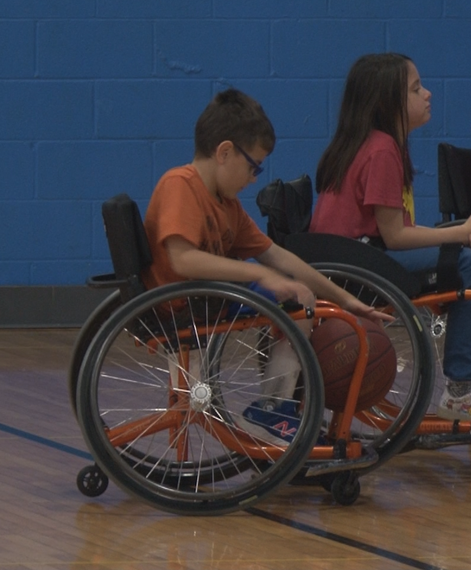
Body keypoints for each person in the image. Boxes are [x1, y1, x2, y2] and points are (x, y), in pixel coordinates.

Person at [143, 87, 387, 444]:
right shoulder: (180, 184)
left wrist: (343, 298)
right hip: (182, 306)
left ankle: (278, 409)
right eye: (253, 165)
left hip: (206, 300)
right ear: (225, 152)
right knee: (289, 298)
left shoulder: (226, 204)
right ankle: (271, 412)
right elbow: (183, 259)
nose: (254, 177)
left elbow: (278, 255)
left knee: (297, 295)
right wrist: (261, 274)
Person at [310, 53, 471, 422]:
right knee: (469, 262)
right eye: (416, 89)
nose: (428, 94)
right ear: (388, 104)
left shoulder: (371, 143)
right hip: (355, 265)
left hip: (356, 255)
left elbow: (394, 234)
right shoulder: (381, 149)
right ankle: (462, 387)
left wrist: (459, 234)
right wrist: (463, 231)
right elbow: (396, 237)